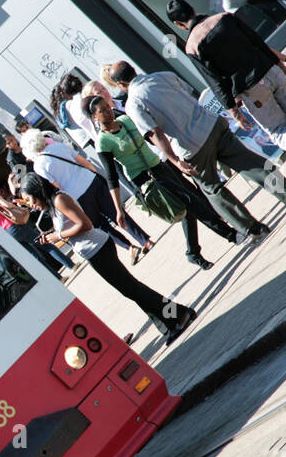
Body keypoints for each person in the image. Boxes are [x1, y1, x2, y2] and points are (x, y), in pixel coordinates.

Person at [167, 0, 286, 175]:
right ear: (192, 9)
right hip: (270, 70)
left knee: (278, 131)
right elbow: (257, 41)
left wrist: (233, 111)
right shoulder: (224, 18)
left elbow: (215, 81)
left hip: (251, 89)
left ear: (178, 24)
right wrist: (281, 64)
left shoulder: (192, 46)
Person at [109, 61, 286, 218]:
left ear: (120, 84)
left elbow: (155, 134)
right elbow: (189, 93)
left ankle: (251, 227)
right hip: (211, 125)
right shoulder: (163, 75)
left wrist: (175, 160)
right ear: (133, 71)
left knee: (212, 189)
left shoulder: (133, 103)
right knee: (250, 162)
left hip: (190, 146)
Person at [19, 174, 195, 345]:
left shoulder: (59, 200)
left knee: (134, 289)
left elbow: (85, 224)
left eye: (31, 199)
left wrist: (59, 235)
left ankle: (179, 314)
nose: (32, 204)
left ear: (38, 191)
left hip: (99, 249)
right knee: (131, 291)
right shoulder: (52, 206)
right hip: (94, 253)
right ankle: (169, 326)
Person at [80, 99, 241, 270]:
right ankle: (231, 235)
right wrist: (119, 209)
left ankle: (193, 253)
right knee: (191, 201)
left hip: (158, 166)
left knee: (187, 210)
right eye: (102, 111)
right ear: (94, 116)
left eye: (108, 108)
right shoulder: (103, 142)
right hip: (143, 179)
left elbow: (151, 139)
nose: (108, 112)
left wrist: (174, 159)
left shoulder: (125, 121)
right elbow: (112, 176)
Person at [20, 125, 155, 264]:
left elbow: (55, 187)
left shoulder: (39, 166)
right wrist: (96, 175)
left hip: (77, 197)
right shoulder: (60, 147)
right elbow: (84, 162)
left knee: (101, 226)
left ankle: (130, 248)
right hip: (91, 181)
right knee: (117, 213)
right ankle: (145, 241)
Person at [0, 180, 70, 275]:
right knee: (46, 244)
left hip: (8, 234)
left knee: (35, 256)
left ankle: (57, 277)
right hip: (15, 226)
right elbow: (7, 205)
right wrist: (18, 208)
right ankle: (70, 265)